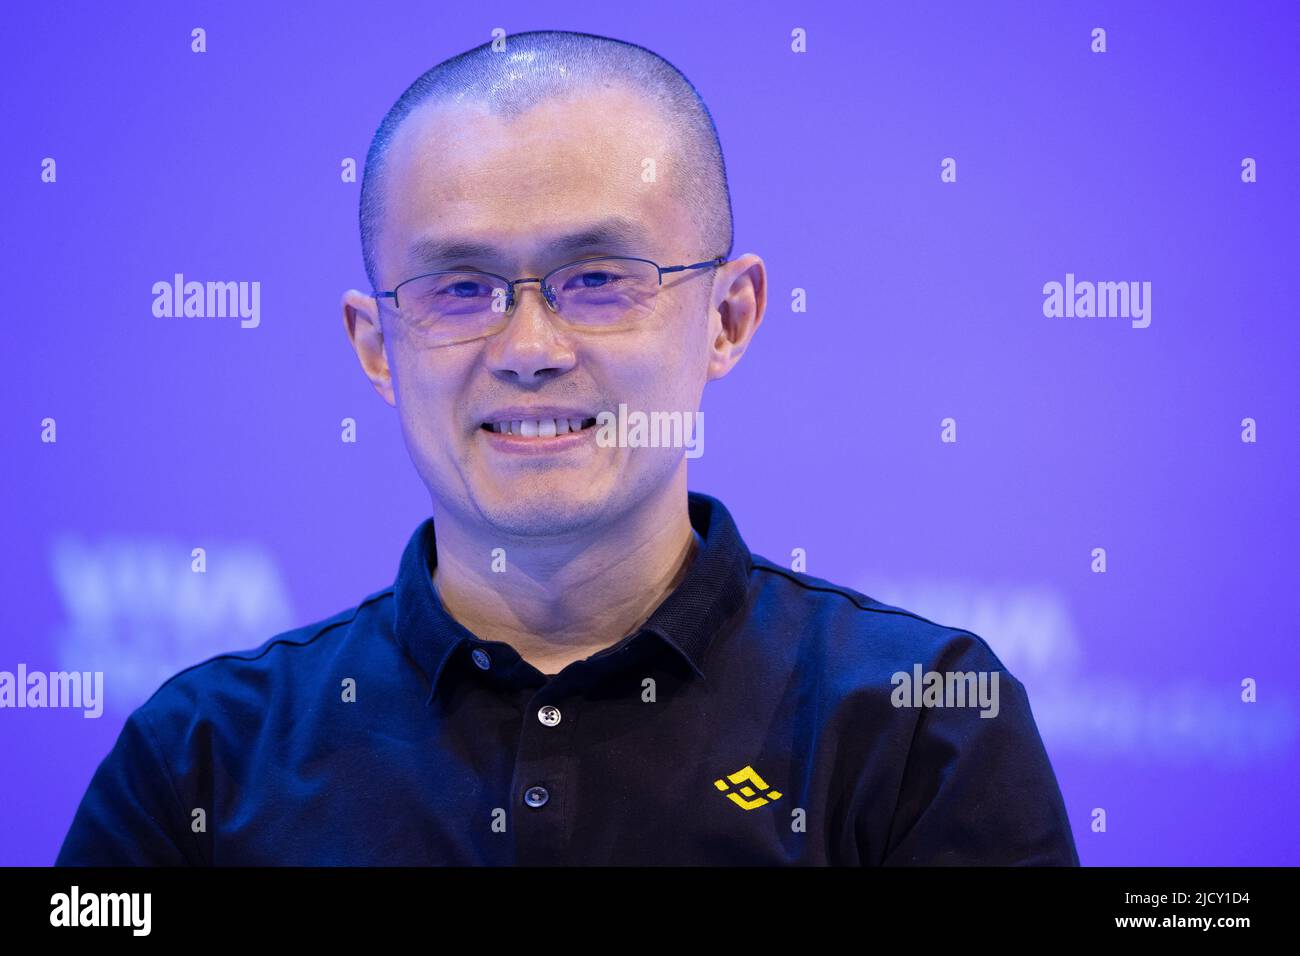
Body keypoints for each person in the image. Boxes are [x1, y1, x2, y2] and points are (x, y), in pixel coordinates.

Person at [55, 29, 1078, 866]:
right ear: (376, 345)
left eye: (598, 277)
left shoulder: (917, 725)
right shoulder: (200, 758)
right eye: (459, 287)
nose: (531, 350)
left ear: (729, 316)